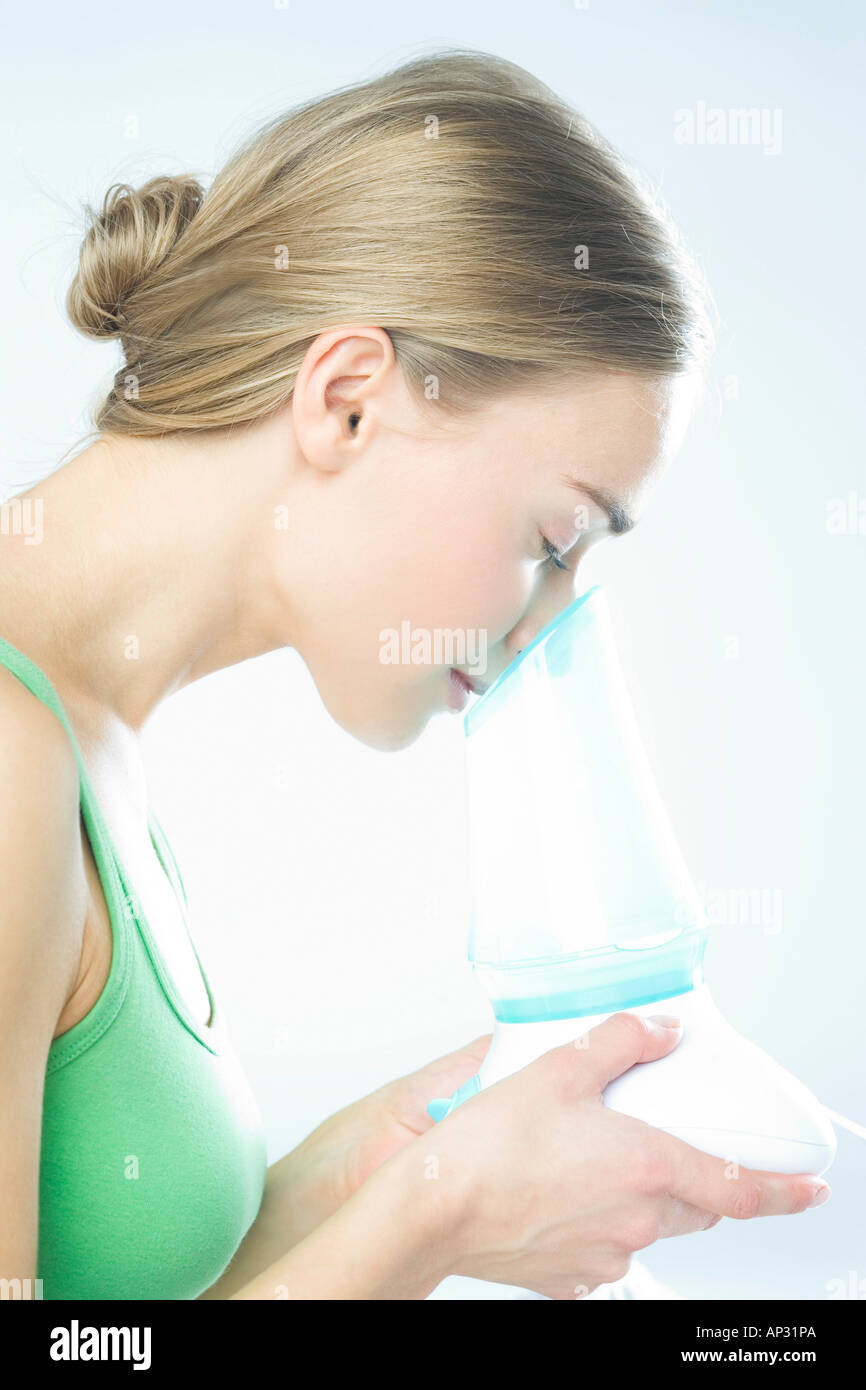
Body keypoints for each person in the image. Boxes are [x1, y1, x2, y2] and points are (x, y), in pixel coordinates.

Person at [0, 48, 829, 1302]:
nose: (542, 626)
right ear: (344, 401)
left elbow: (96, 1329)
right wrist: (433, 1224)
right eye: (553, 541)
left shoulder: (82, 735)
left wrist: (371, 1172)